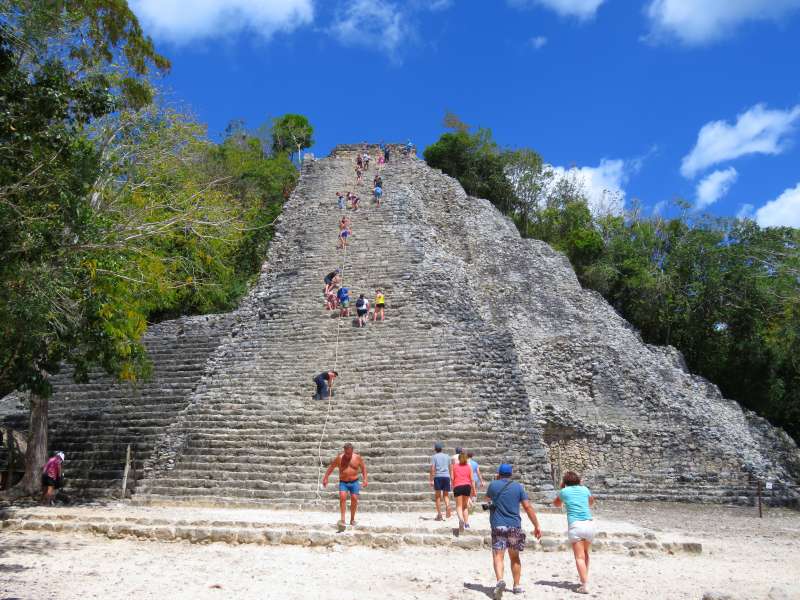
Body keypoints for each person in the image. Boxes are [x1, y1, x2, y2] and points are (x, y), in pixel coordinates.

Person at [485, 463, 542, 599]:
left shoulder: (493, 485)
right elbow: (527, 507)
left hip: (498, 525)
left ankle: (500, 581)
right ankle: (516, 586)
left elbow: (487, 501)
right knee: (515, 557)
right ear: (511, 474)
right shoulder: (518, 487)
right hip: (515, 526)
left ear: (499, 473)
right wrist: (536, 525)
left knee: (498, 555)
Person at [553, 471, 595, 595]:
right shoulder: (585, 489)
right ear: (578, 480)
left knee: (579, 557)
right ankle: (584, 579)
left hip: (576, 525)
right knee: (586, 554)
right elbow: (591, 502)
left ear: (565, 482)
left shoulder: (564, 492)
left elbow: (556, 504)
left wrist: (562, 489)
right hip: (589, 523)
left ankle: (584, 584)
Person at [322, 442, 368, 529]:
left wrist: (365, 479)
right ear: (344, 451)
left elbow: (363, 468)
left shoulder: (357, 458)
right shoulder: (339, 458)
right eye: (346, 453)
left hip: (354, 482)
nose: (348, 455)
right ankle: (342, 520)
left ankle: (352, 519)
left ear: (352, 451)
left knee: (354, 499)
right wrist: (326, 478)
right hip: (343, 482)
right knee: (342, 497)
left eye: (349, 453)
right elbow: (331, 467)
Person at [429, 442, 453, 521]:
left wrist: (431, 479)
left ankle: (439, 515)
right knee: (446, 495)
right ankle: (448, 506)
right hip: (446, 477)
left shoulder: (434, 457)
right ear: (442, 448)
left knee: (438, 497)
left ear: (435, 449)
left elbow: (433, 468)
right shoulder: (447, 456)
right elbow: (450, 467)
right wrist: (451, 477)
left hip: (438, 477)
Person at [452, 452, 475, 531]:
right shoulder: (469, 467)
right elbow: (472, 479)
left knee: (459, 506)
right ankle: (467, 523)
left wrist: (453, 485)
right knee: (465, 506)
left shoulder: (454, 466)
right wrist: (474, 490)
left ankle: (461, 520)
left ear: (459, 459)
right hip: (467, 486)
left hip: (458, 486)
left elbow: (452, 478)